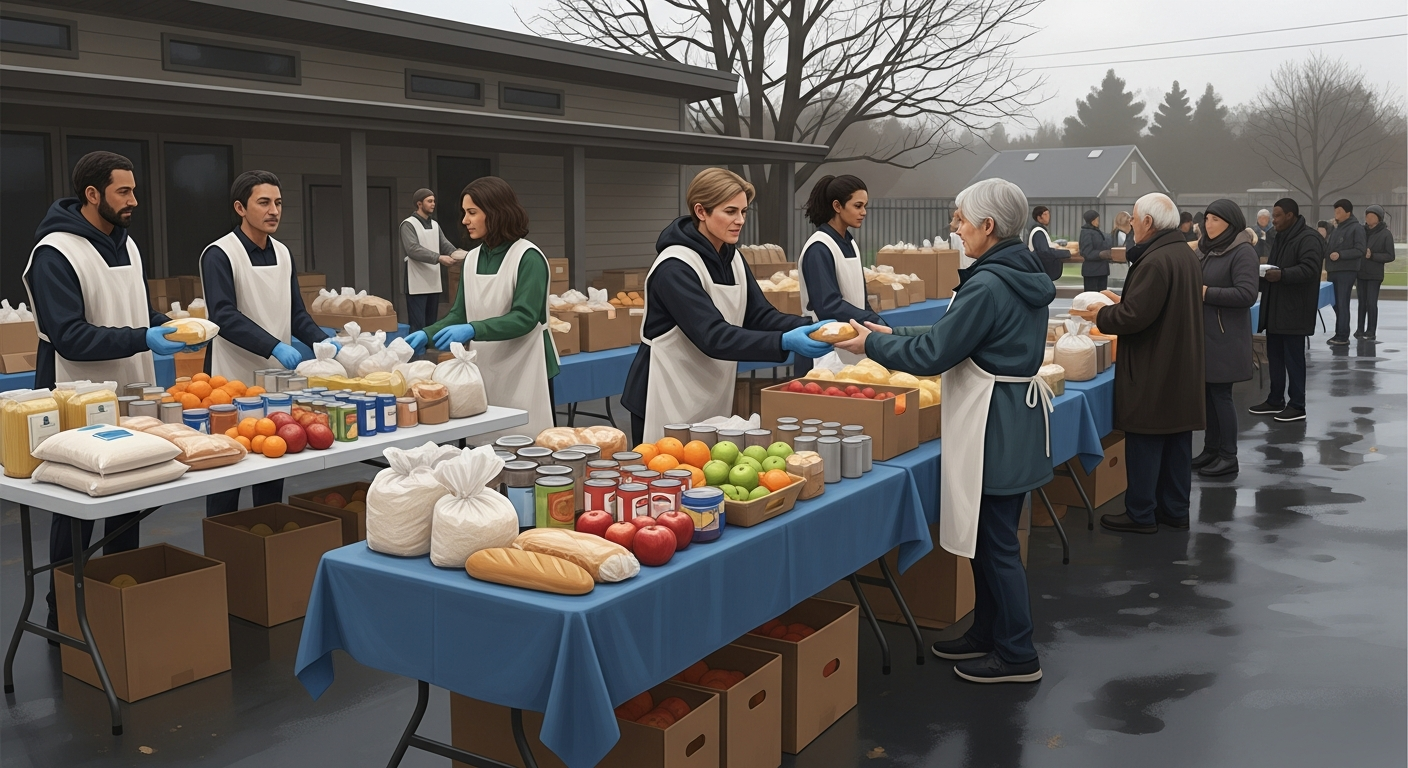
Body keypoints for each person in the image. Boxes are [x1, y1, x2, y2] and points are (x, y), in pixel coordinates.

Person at [835, 178, 1054, 684]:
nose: (953, 228)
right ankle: (989, 631)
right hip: (1008, 418)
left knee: (997, 542)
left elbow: (936, 353)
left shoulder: (988, 282)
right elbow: (949, 334)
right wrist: (890, 334)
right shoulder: (1014, 271)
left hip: (991, 424)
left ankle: (1018, 653)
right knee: (988, 536)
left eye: (959, 219)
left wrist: (871, 347)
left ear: (987, 226)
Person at [22, 151, 195, 638]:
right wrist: (145, 338)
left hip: (130, 390)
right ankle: (66, 611)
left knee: (131, 497)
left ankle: (122, 597)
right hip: (73, 394)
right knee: (75, 506)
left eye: (134, 190)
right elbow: (70, 336)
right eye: (125, 191)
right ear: (92, 195)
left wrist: (169, 326)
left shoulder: (127, 243)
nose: (134, 200)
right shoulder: (55, 253)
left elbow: (134, 310)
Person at [621, 168, 830, 444]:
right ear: (701, 211)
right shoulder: (675, 267)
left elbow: (759, 315)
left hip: (709, 389)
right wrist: (783, 342)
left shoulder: (732, 259)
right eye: (730, 211)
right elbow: (713, 336)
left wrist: (811, 327)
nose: (739, 220)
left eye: (743, 212)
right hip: (664, 392)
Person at [201, 170, 338, 517]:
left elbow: (296, 313)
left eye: (278, 203)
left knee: (274, 455)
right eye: (264, 202)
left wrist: (322, 342)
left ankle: (267, 536)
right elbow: (223, 316)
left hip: (276, 380)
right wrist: (274, 345)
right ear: (240, 208)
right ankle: (223, 536)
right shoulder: (219, 254)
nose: (274, 210)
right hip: (229, 378)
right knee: (228, 469)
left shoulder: (283, 253)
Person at [1075, 193, 1204, 535]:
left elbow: (1134, 317)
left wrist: (1101, 313)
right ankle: (1175, 510)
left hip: (1154, 365)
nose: (1130, 224)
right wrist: (1124, 301)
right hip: (1180, 364)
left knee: (1145, 440)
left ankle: (1141, 512)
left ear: (1147, 222)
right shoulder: (1181, 254)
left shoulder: (1154, 260)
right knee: (1177, 441)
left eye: (1133, 219)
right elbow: (1154, 304)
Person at [405, 177, 558, 441]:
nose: (465, 221)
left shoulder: (528, 257)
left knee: (526, 449)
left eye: (472, 213)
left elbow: (525, 318)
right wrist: (427, 334)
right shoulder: (472, 258)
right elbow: (460, 313)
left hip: (527, 368)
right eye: (464, 213)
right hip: (482, 367)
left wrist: (472, 329)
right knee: (484, 446)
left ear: (497, 213)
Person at [1192, 200, 1258, 478]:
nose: (1208, 225)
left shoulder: (1241, 252)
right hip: (1206, 337)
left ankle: (1228, 455)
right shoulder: (1207, 250)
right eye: (1207, 219)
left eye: (1215, 220)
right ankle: (1211, 449)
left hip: (1226, 338)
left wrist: (1206, 292)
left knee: (1221, 396)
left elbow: (1247, 294)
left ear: (1230, 223)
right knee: (1208, 396)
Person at [795, 175, 883, 368]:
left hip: (850, 343)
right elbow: (828, 305)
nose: (864, 212)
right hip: (823, 350)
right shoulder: (819, 248)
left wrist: (873, 323)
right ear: (837, 206)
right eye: (858, 206)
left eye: (865, 206)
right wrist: (873, 320)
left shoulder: (850, 243)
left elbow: (860, 299)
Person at [1248, 198, 1323, 422]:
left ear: (1290, 215)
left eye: (1277, 215)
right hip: (1275, 310)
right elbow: (1276, 267)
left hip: (1295, 311)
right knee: (1276, 356)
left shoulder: (1309, 238)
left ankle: (1297, 405)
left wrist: (1282, 275)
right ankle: (1275, 399)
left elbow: (1310, 269)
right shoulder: (1281, 237)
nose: (1274, 220)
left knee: (1294, 358)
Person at [400, 188, 468, 332]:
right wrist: (439, 258)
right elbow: (413, 249)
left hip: (433, 281)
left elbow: (445, 244)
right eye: (429, 201)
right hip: (416, 282)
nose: (433, 204)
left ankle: (428, 352)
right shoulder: (408, 224)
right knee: (418, 325)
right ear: (419, 204)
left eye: (434, 201)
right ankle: (417, 354)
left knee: (431, 324)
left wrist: (459, 254)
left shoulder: (435, 225)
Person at [1323, 199, 1365, 346]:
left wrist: (1341, 254)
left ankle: (1343, 335)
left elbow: (1360, 250)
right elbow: (1329, 249)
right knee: (1335, 303)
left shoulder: (1356, 228)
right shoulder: (1336, 228)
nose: (1336, 214)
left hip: (1346, 271)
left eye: (1339, 211)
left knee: (1342, 302)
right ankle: (1339, 331)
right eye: (1335, 211)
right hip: (1333, 270)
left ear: (1348, 212)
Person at [1357, 204, 1394, 341]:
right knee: (1361, 302)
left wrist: (1372, 256)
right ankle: (1359, 329)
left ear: (1378, 218)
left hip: (1374, 274)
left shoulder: (1385, 234)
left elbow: (1390, 255)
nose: (1368, 218)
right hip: (1360, 273)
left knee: (1371, 302)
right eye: (1367, 215)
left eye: (1372, 216)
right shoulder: (1361, 231)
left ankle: (1371, 330)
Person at [1027, 205, 1067, 281]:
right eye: (1045, 214)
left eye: (1048, 214)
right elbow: (1044, 252)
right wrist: (1065, 253)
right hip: (1040, 272)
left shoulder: (1040, 230)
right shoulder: (1038, 232)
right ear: (1039, 218)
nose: (1048, 216)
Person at [1079, 210, 1111, 292]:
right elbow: (1086, 252)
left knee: (1102, 297)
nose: (1098, 221)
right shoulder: (1086, 233)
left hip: (1102, 271)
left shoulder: (1097, 231)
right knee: (1092, 297)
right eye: (1097, 219)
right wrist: (1100, 254)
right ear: (1092, 220)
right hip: (1092, 272)